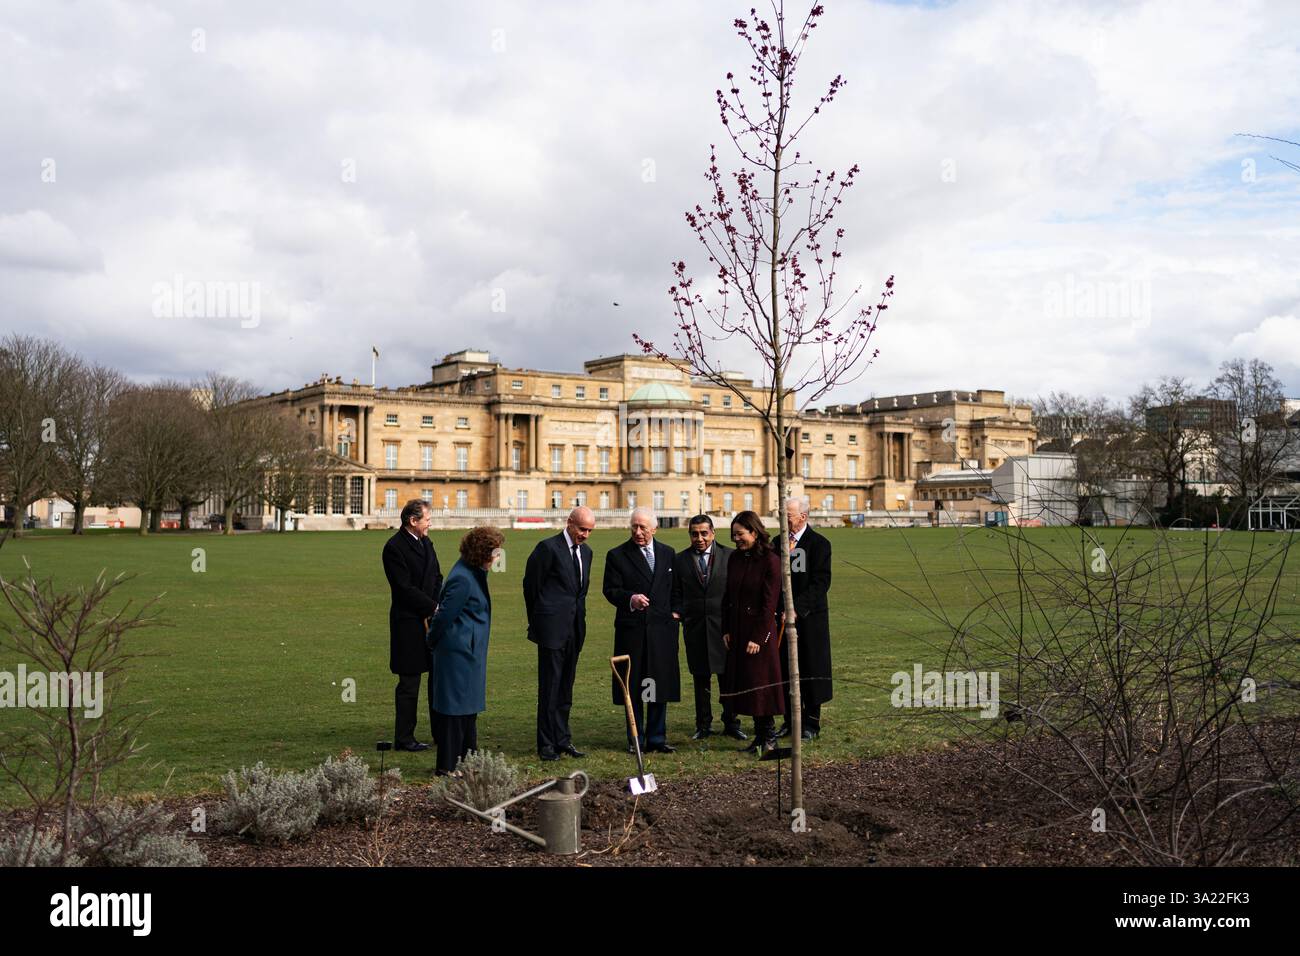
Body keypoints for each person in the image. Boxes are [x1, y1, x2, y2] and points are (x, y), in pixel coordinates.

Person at [427, 526, 503, 776]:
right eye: (495, 552)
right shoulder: (462, 578)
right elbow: (443, 616)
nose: (497, 557)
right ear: (482, 552)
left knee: (466, 711)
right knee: (454, 711)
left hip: (467, 653)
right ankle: (448, 765)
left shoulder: (472, 572)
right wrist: (432, 641)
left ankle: (467, 760)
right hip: (457, 653)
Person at [603, 507, 680, 754]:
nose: (637, 532)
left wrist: (676, 612)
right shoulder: (617, 555)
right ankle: (635, 737)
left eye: (643, 527)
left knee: (657, 683)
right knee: (634, 686)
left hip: (661, 631)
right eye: (634, 527)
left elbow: (677, 588)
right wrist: (630, 599)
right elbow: (610, 590)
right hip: (632, 632)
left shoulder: (668, 553)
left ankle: (657, 737)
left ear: (654, 529)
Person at [523, 506, 594, 762]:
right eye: (582, 529)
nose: (585, 535)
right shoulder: (547, 548)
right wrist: (540, 620)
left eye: (589, 531)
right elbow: (531, 587)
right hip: (551, 630)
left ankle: (563, 739)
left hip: (575, 629)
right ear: (569, 523)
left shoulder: (587, 553)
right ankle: (546, 743)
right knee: (550, 688)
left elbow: (580, 593)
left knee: (566, 687)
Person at [671, 514, 746, 741]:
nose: (700, 538)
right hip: (695, 627)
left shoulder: (730, 556)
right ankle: (703, 724)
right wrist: (679, 612)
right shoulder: (680, 560)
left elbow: (738, 591)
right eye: (695, 534)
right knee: (700, 679)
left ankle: (731, 722)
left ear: (713, 533)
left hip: (724, 628)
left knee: (727, 677)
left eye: (704, 533)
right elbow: (675, 593)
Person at [382, 499, 443, 752]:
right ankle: (404, 737)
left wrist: (436, 606)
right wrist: (431, 607)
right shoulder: (394, 548)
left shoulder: (426, 542)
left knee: (437, 679)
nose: (430, 523)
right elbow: (403, 588)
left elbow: (437, 576)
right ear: (413, 521)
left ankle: (441, 732)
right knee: (409, 683)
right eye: (427, 519)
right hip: (408, 623)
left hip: (431, 619)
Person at [721, 510, 784, 752]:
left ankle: (769, 737)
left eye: (740, 534)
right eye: (733, 535)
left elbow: (769, 604)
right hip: (738, 630)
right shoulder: (736, 559)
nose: (736, 539)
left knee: (761, 684)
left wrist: (759, 637)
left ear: (755, 532)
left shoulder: (770, 560)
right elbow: (728, 596)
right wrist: (726, 628)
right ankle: (760, 736)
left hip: (760, 633)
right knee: (748, 683)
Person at [779, 495, 833, 740]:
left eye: (787, 515)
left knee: (811, 669)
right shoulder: (776, 543)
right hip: (781, 619)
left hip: (809, 619)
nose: (784, 519)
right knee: (785, 670)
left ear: (803, 517)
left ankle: (811, 723)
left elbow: (821, 583)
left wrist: (796, 608)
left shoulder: (819, 544)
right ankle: (790, 721)